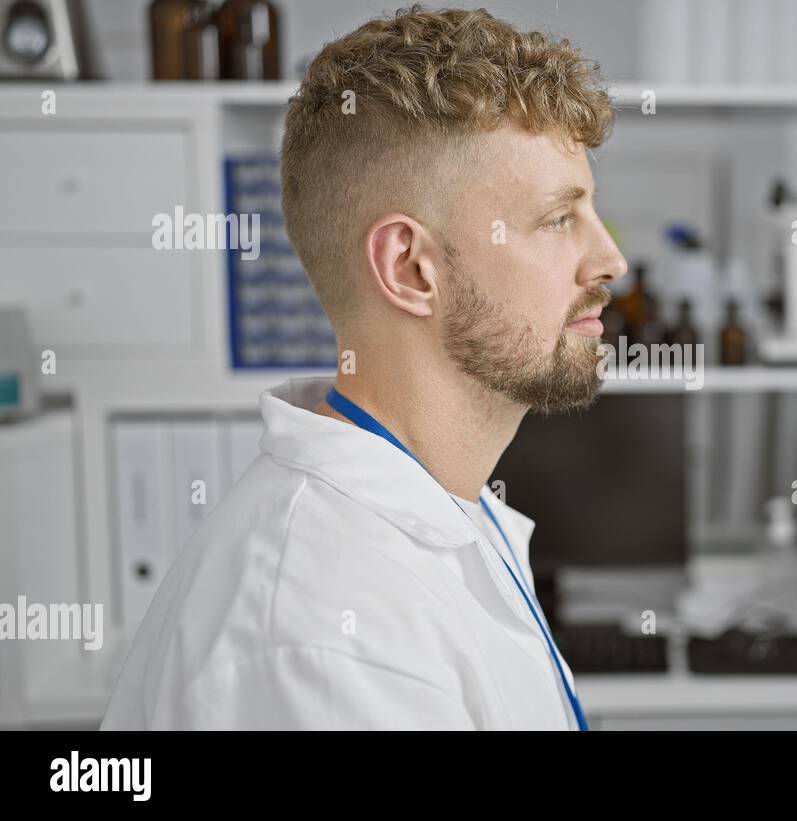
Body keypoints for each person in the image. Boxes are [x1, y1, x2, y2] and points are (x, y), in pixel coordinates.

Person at [101, 6, 627, 730]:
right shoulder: (330, 637)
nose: (611, 261)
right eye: (558, 219)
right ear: (411, 268)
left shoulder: (441, 505)